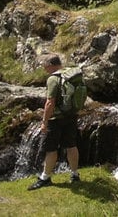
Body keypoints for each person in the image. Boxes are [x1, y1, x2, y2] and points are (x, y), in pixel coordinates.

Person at [27, 54, 81, 189]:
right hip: (71, 115)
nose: (44, 68)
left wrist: (44, 121)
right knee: (71, 146)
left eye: (45, 65)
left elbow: (50, 102)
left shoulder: (53, 79)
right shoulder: (71, 73)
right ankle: (75, 175)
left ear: (50, 65)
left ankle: (45, 178)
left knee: (51, 149)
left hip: (56, 118)